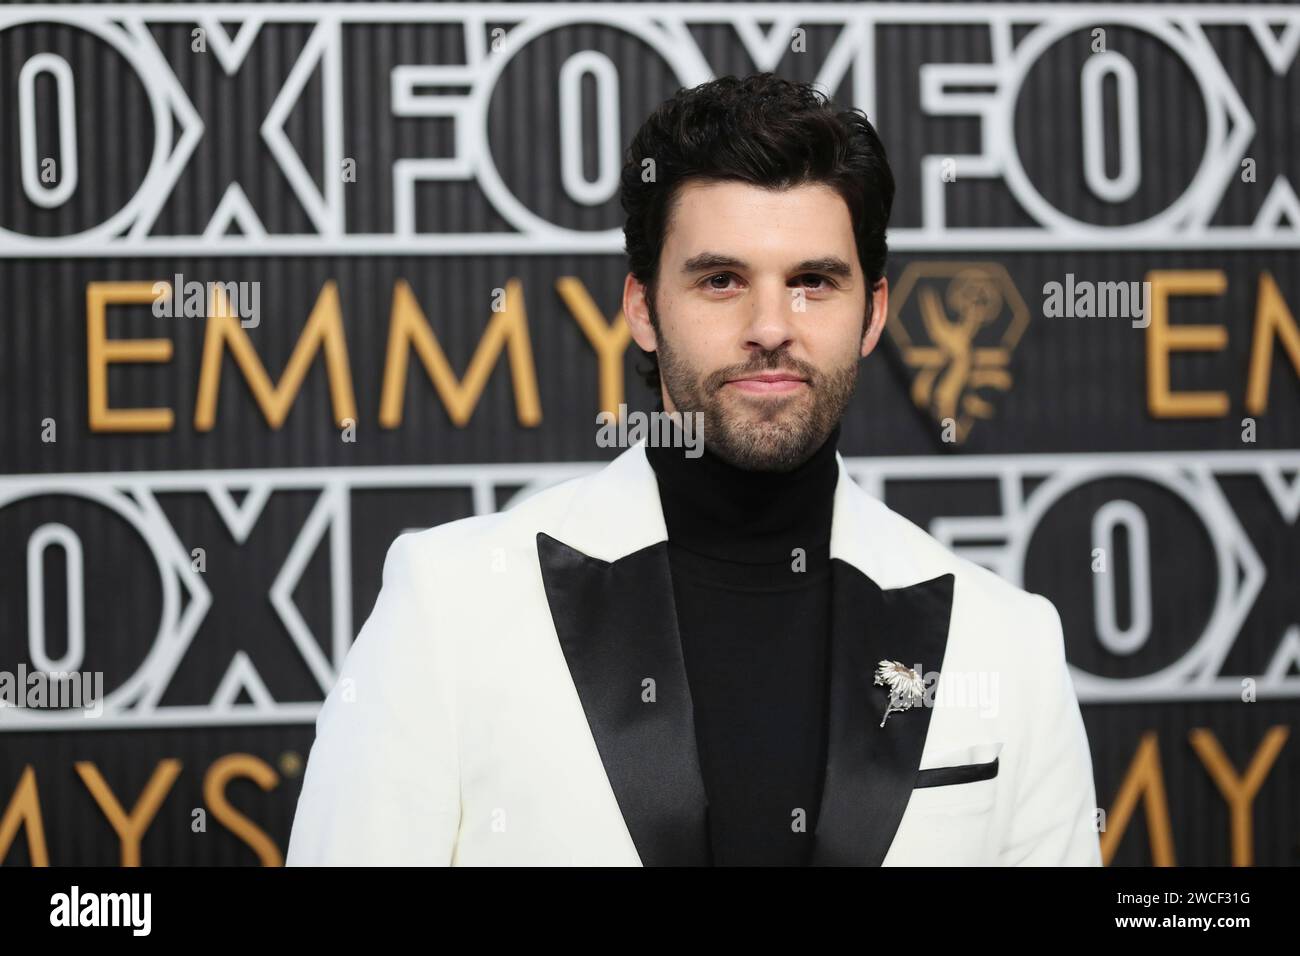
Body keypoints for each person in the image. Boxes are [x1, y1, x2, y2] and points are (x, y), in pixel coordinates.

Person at [287, 73, 1101, 866]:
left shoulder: (1008, 642)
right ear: (643, 307)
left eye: (814, 282)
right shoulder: (452, 604)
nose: (771, 327)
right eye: (721, 280)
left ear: (873, 314)